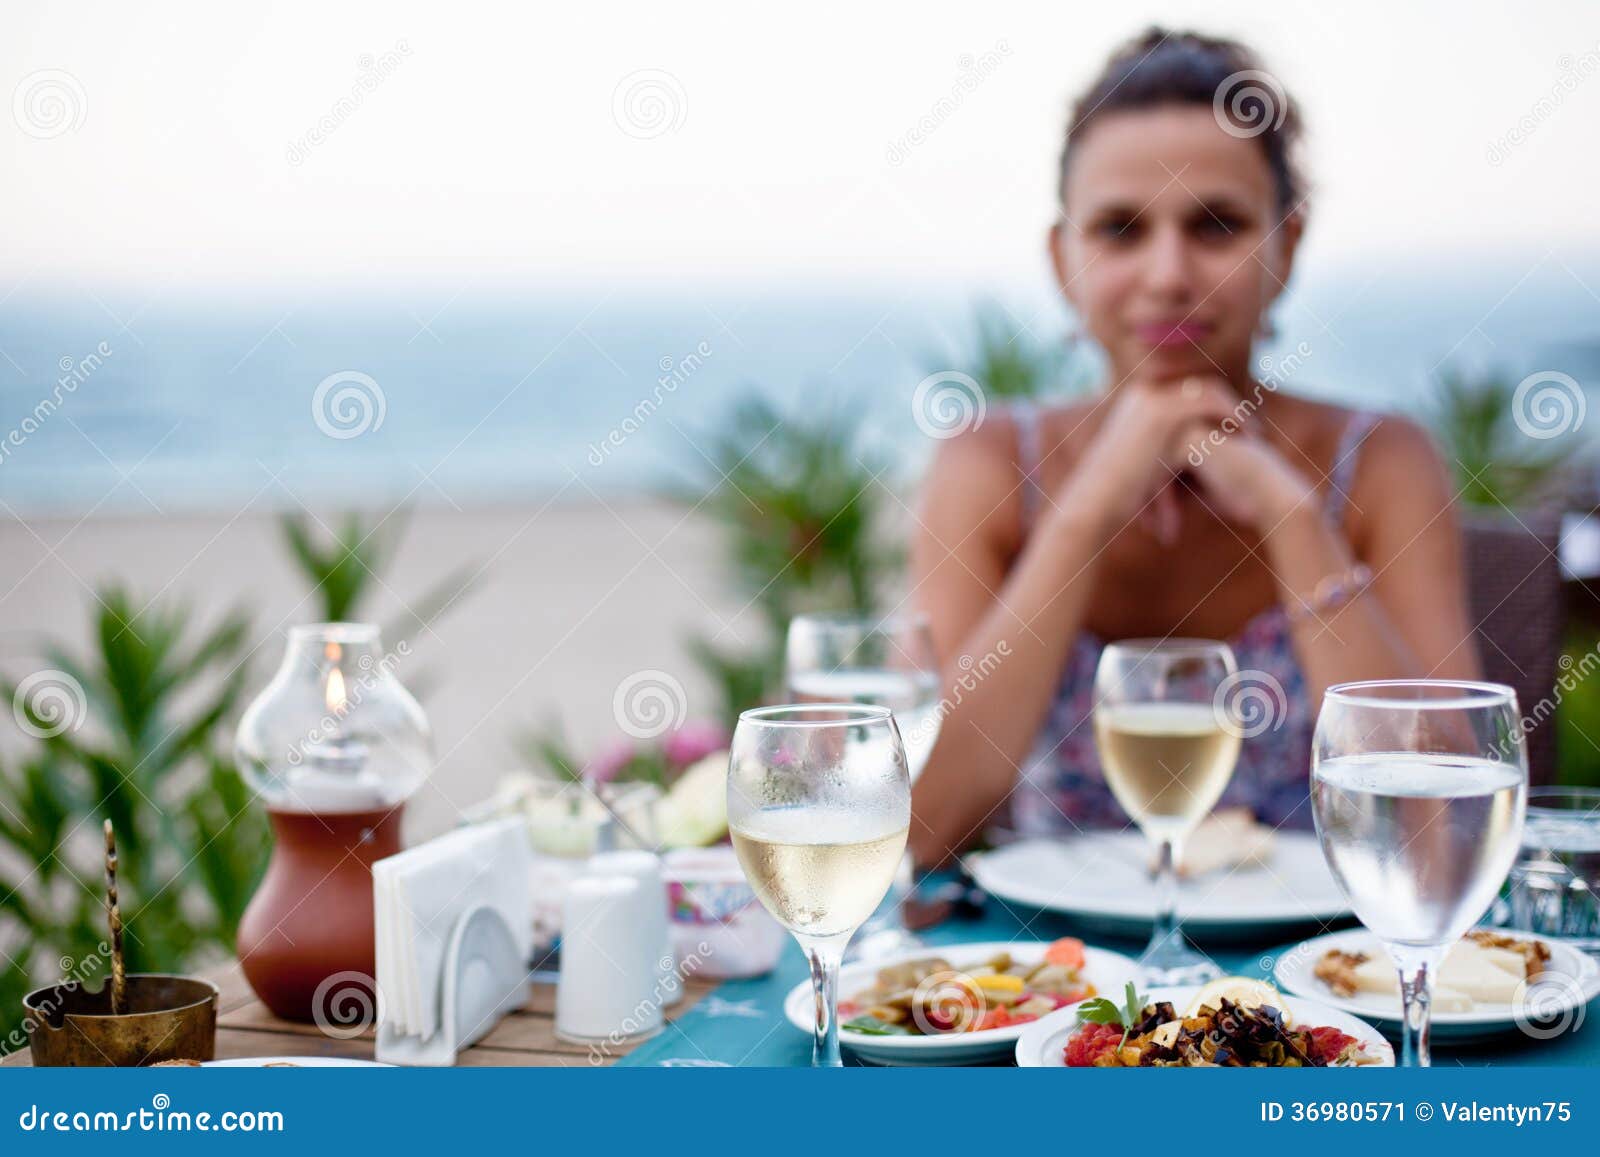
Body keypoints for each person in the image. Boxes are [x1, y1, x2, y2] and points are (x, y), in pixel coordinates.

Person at [908, 27, 1479, 867]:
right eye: (1120, 228)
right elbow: (922, 827)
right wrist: (1086, 511)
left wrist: (1291, 514)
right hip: (1055, 981)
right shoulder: (988, 464)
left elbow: (1440, 839)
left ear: (1285, 247)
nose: (1169, 273)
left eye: (1216, 224)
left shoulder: (1382, 460)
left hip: (1318, 980)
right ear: (1062, 258)